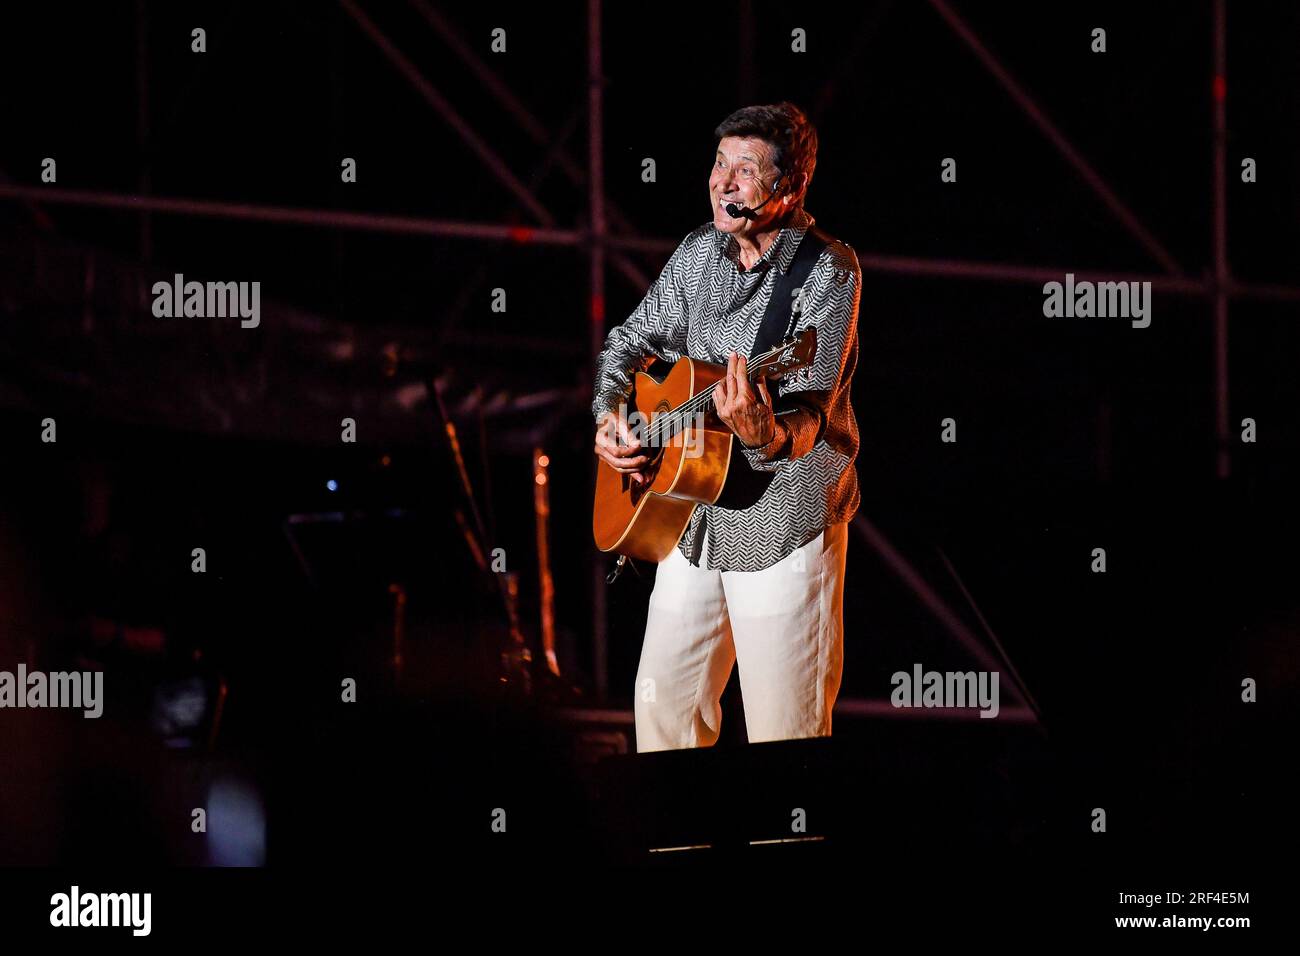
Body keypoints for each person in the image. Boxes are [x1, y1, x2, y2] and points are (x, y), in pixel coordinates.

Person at [591, 102, 861, 752]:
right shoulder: (698, 253)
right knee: (662, 715)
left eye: (745, 169)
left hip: (781, 523)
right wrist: (612, 413)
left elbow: (810, 415)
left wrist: (762, 434)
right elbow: (629, 339)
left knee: (784, 737)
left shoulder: (828, 270)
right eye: (719, 163)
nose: (723, 182)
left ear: (791, 187)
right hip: (694, 514)